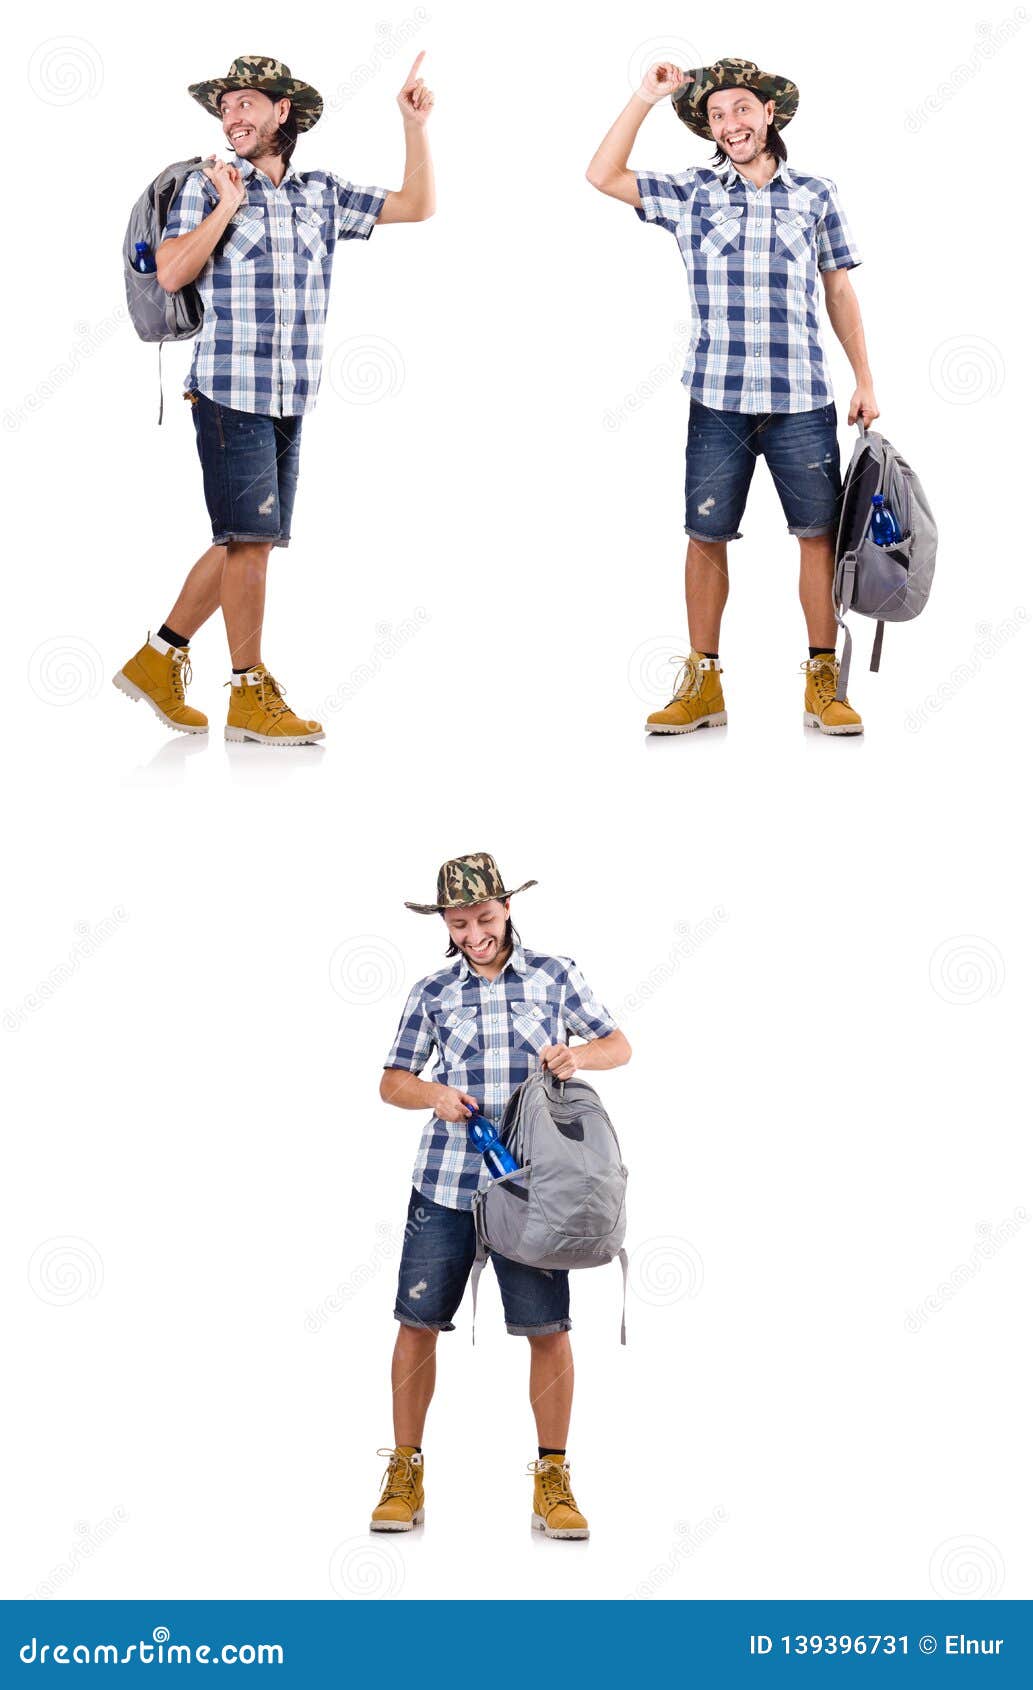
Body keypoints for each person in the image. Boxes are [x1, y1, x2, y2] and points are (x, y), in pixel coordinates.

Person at [113, 53, 435, 745]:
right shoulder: (211, 184)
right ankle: (249, 692)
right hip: (229, 388)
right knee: (251, 540)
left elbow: (416, 205)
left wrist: (411, 125)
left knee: (244, 541)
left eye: (246, 104)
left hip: (290, 391)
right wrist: (227, 203)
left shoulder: (320, 192)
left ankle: (157, 658)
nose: (233, 116)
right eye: (225, 107)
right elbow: (171, 273)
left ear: (282, 112)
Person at [587, 56, 879, 736]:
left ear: (769, 114)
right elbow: (601, 175)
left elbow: (838, 287)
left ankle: (820, 682)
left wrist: (864, 378)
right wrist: (644, 96)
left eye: (740, 109)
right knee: (705, 534)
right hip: (716, 399)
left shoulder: (815, 192)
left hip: (800, 396)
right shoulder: (691, 192)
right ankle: (703, 682)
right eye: (716, 115)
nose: (729, 124)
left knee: (816, 536)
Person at [373, 853, 631, 1539]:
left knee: (547, 1331)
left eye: (483, 918)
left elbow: (618, 1043)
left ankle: (552, 1479)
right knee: (415, 1323)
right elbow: (391, 1081)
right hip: (447, 1183)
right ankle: (404, 1470)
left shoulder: (555, 975)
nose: (472, 934)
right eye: (459, 923)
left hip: (534, 1190)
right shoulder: (432, 991)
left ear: (507, 908)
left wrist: (578, 1056)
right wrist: (431, 1094)